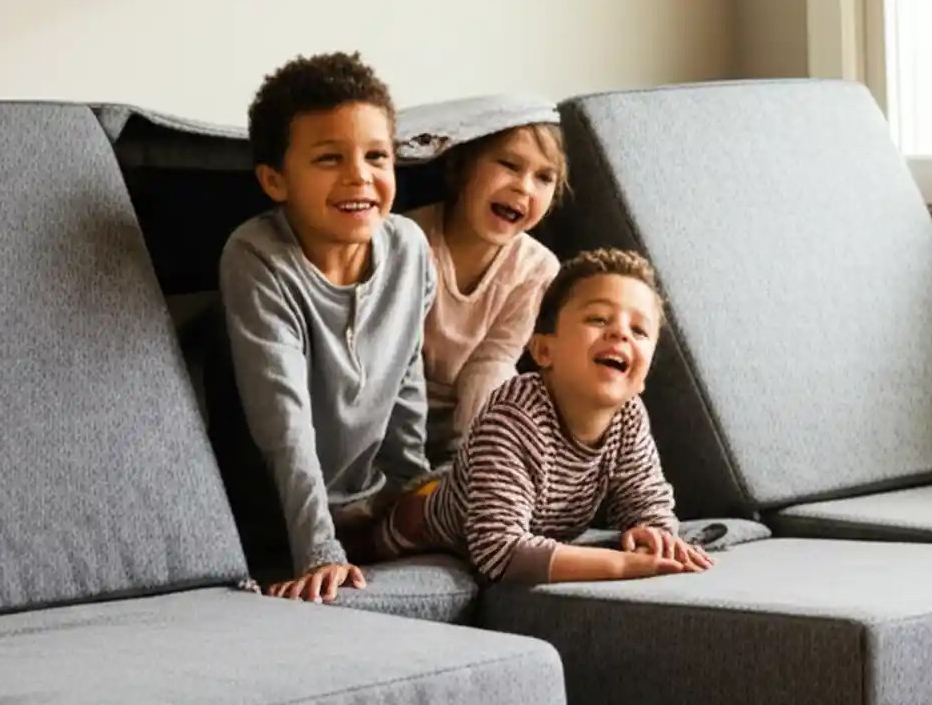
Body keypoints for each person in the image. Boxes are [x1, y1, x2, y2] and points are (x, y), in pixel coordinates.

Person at [219, 52, 435, 602]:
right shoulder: (257, 256)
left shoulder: (409, 247)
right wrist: (318, 549)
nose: (359, 175)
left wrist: (417, 494)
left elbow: (408, 382)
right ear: (274, 180)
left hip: (372, 503)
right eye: (329, 158)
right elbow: (282, 424)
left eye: (377, 156)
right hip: (275, 519)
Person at [377, 249, 714, 583]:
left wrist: (653, 532)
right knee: (371, 535)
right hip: (419, 524)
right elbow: (498, 552)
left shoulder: (628, 417)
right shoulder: (514, 418)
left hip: (531, 519)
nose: (620, 333)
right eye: (598, 319)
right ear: (543, 350)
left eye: (639, 330)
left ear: (642, 377)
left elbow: (646, 498)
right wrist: (622, 565)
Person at [405, 120, 564, 466]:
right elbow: (394, 361)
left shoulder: (537, 269)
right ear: (460, 167)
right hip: (392, 415)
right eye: (509, 165)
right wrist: (408, 458)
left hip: (465, 419)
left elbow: (492, 362)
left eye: (544, 177)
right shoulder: (408, 241)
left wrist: (471, 460)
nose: (524, 187)